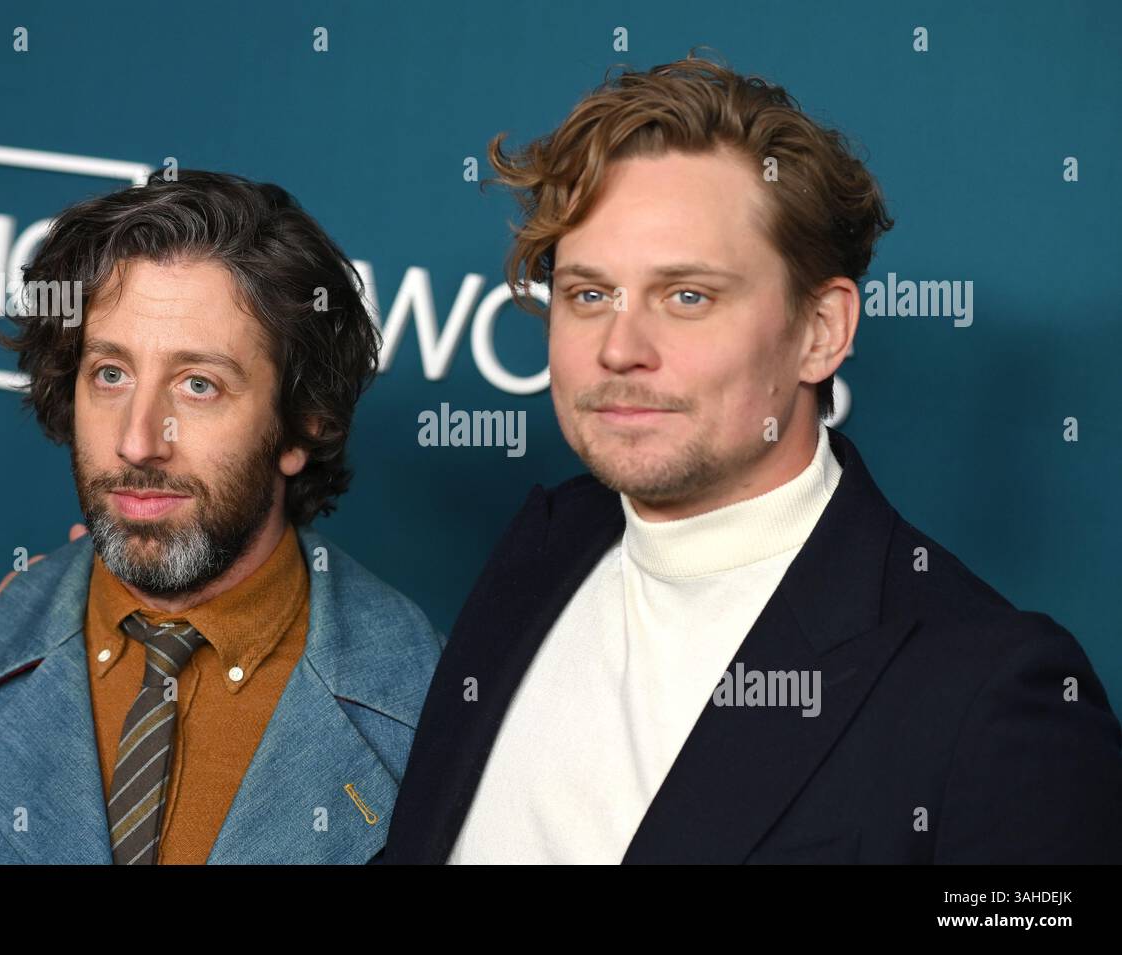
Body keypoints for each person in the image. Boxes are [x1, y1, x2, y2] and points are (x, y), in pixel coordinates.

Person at [381, 56, 1122, 863]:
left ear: (821, 332)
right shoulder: (541, 550)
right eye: (590, 294)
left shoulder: (990, 693)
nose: (620, 348)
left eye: (687, 296)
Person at [0, 170, 443, 864]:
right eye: (111, 374)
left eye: (198, 385)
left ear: (300, 425)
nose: (138, 441)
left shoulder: (438, 705)